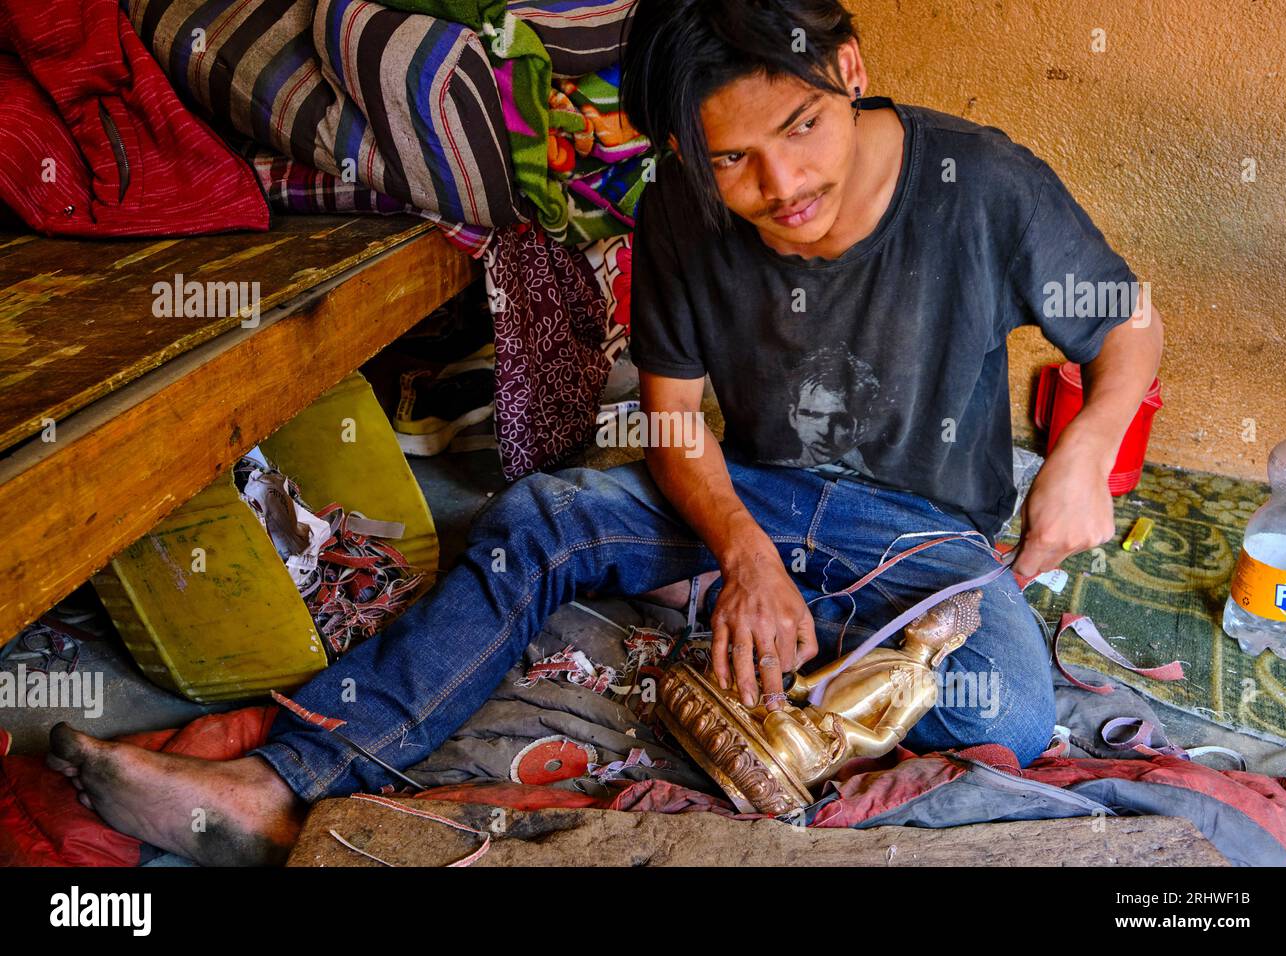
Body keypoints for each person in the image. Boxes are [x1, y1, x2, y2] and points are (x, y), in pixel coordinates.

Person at [46, 0, 1163, 865]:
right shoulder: (680, 206)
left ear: (850, 70)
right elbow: (672, 418)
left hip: (921, 535)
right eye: (731, 159)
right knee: (542, 515)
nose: (783, 186)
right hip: (760, 495)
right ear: (684, 149)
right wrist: (743, 550)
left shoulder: (983, 181)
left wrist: (1081, 448)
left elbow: (1128, 323)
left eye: (802, 126)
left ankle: (778, 647)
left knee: (1008, 711)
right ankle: (287, 775)